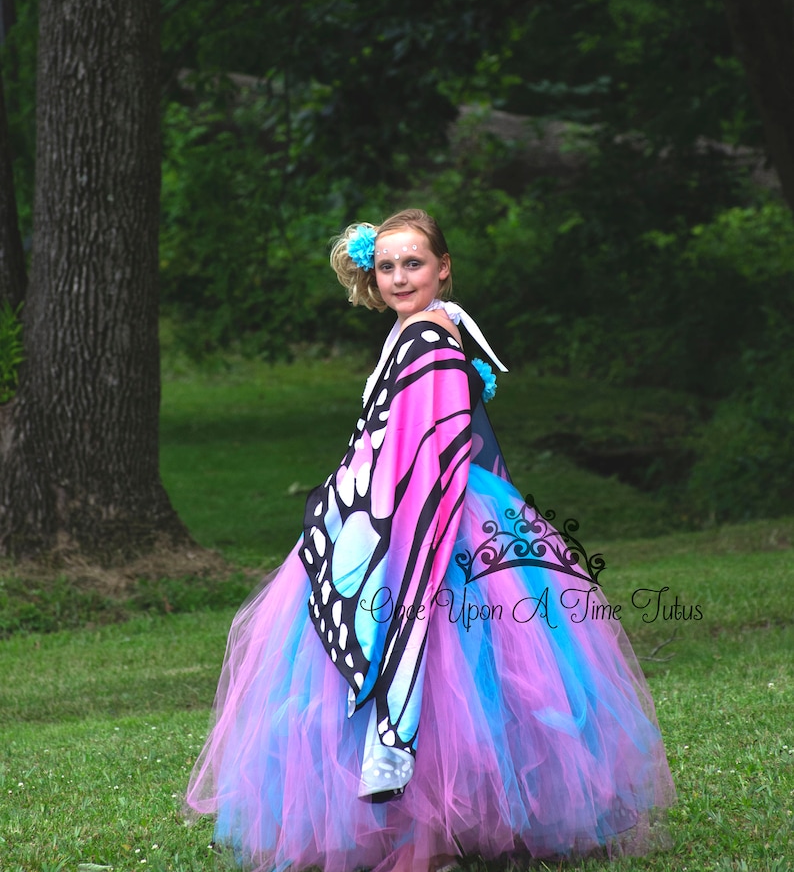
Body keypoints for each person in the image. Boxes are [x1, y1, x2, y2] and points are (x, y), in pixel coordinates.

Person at [186, 208, 675, 872]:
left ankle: (432, 835)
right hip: (403, 501)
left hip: (429, 514)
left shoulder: (428, 337)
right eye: (386, 265)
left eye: (412, 263)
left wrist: (378, 515)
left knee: (437, 662)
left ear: (442, 266)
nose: (398, 276)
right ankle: (435, 826)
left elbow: (433, 446)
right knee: (450, 673)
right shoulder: (420, 326)